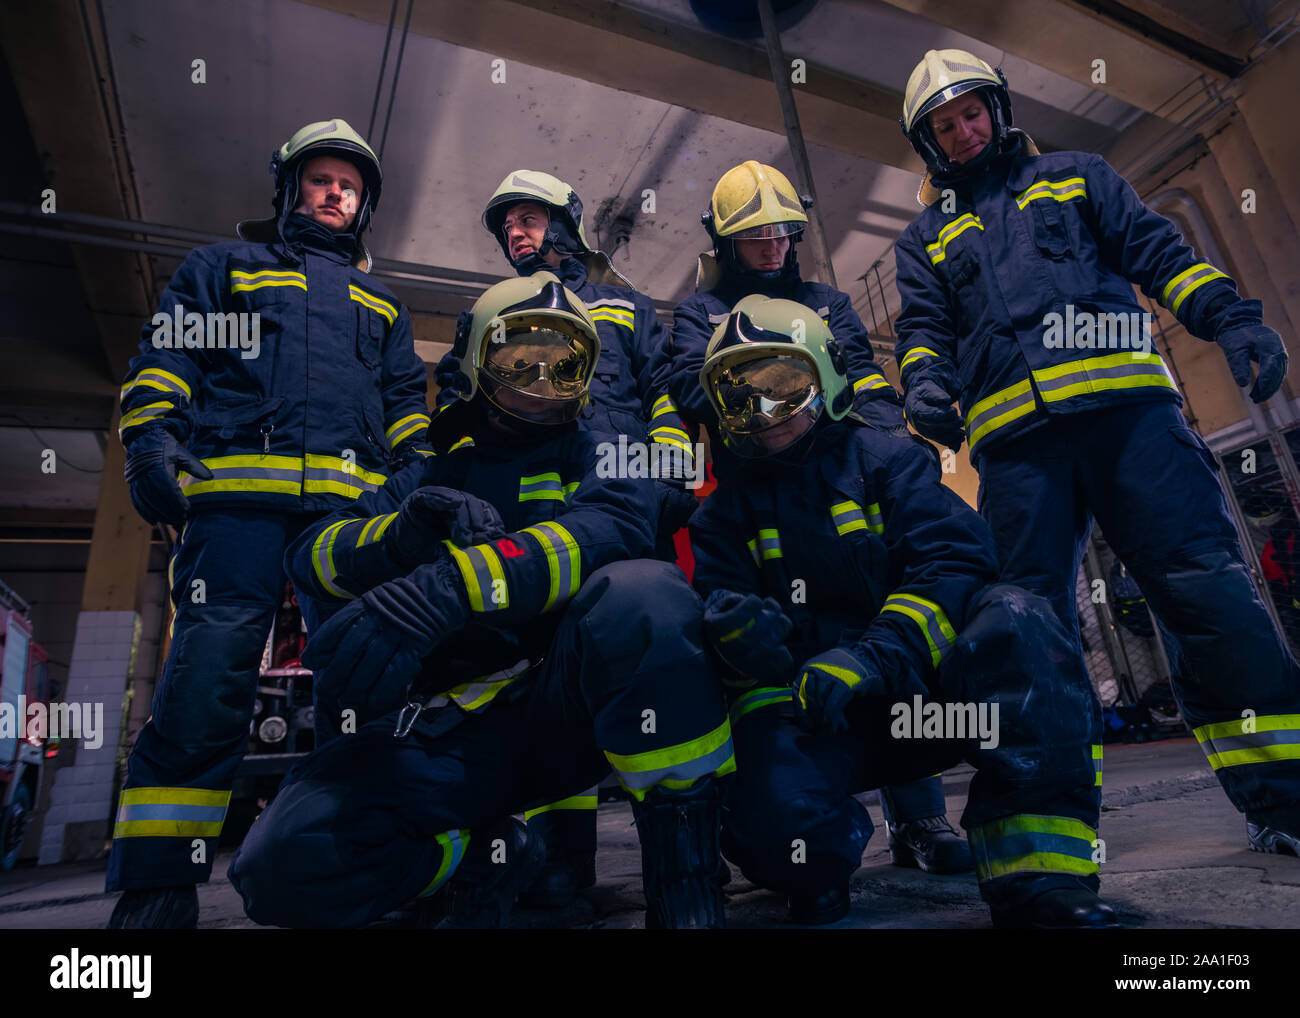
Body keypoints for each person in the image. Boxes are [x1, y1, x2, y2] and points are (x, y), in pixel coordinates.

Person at [227, 273, 734, 929]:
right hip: (443, 741)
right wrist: (397, 538)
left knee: (646, 593)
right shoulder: (426, 474)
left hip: (563, 716)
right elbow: (312, 556)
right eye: (520, 357)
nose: (543, 378)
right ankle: (476, 859)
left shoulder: (608, 455)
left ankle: (684, 883)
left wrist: (455, 586)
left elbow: (609, 531)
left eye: (566, 363)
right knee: (277, 868)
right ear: (473, 362)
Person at [893, 48, 1300, 856]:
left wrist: (1229, 318)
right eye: (945, 125)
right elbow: (922, 333)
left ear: (998, 111)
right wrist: (924, 386)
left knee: (1207, 596)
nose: (964, 131)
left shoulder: (1080, 174)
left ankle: (1285, 801)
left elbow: (1157, 253)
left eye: (972, 112)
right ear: (929, 142)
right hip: (1018, 454)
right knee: (1024, 626)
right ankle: (1046, 836)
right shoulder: (927, 237)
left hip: (1134, 427)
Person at [689, 296, 1113, 927]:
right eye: (739, 395)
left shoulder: (884, 463)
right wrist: (748, 646)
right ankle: (816, 863)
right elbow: (725, 620)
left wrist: (871, 657)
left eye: (781, 385)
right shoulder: (722, 515)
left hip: (926, 712)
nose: (762, 412)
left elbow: (957, 563)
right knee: (789, 846)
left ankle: (1041, 878)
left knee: (1017, 615)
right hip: (820, 720)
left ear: (827, 378)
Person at [109, 119, 433, 928]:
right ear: (290, 188)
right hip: (234, 512)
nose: (335, 194)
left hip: (346, 525)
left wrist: (416, 482)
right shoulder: (226, 269)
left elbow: (403, 412)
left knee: (367, 683)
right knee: (202, 685)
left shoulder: (380, 302)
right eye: (321, 180)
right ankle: (157, 889)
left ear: (364, 206)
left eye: (349, 186)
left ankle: (370, 860)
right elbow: (168, 358)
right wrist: (150, 437)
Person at [653, 159, 972, 874]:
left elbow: (859, 375)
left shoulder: (828, 300)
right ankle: (811, 810)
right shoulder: (701, 315)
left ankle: (919, 821)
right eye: (755, 237)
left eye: (783, 233)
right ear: (725, 241)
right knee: (785, 653)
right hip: (755, 503)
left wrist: (892, 449)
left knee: (885, 625)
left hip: (841, 485)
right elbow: (685, 387)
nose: (772, 249)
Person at [429, 170, 699, 906]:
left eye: (529, 218)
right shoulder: (492, 312)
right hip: (537, 508)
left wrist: (668, 469)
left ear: (567, 221)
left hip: (626, 503)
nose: (517, 232)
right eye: (507, 225)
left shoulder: (624, 303)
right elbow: (460, 407)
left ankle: (675, 860)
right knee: (543, 666)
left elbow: (664, 389)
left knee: (645, 657)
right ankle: (561, 866)